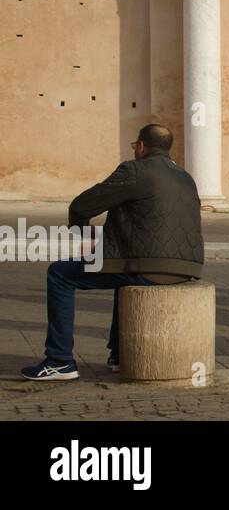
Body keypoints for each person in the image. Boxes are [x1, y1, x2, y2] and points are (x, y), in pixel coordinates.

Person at [23, 124, 204, 381]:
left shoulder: (134, 170)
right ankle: (118, 355)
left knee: (59, 274)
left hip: (149, 267)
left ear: (141, 147)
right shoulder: (186, 177)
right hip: (188, 268)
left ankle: (59, 360)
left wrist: (83, 237)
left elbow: (82, 206)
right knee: (124, 272)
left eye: (135, 147)